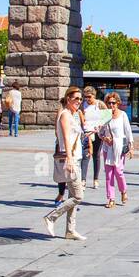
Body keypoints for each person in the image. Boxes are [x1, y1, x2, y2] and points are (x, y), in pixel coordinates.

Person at [44, 86, 86, 241]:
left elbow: (75, 136)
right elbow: (66, 139)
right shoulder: (65, 115)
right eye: (76, 99)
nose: (79, 102)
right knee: (78, 196)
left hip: (77, 157)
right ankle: (51, 217)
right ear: (68, 99)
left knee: (73, 195)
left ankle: (70, 230)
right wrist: (69, 158)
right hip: (71, 159)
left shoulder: (72, 115)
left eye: (81, 99)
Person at [99, 91, 133, 208]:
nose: (111, 105)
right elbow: (100, 132)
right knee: (109, 175)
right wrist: (104, 138)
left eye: (113, 103)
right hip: (107, 148)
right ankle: (111, 199)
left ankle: (123, 191)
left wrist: (131, 146)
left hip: (119, 147)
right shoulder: (105, 115)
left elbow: (128, 131)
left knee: (118, 172)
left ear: (118, 103)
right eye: (109, 103)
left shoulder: (123, 115)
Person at [79, 85, 104, 189]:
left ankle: (95, 179)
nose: (87, 99)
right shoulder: (82, 105)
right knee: (85, 156)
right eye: (85, 97)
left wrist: (101, 126)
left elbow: (107, 116)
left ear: (94, 95)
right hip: (86, 133)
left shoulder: (100, 104)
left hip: (97, 133)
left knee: (96, 155)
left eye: (89, 97)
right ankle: (83, 180)